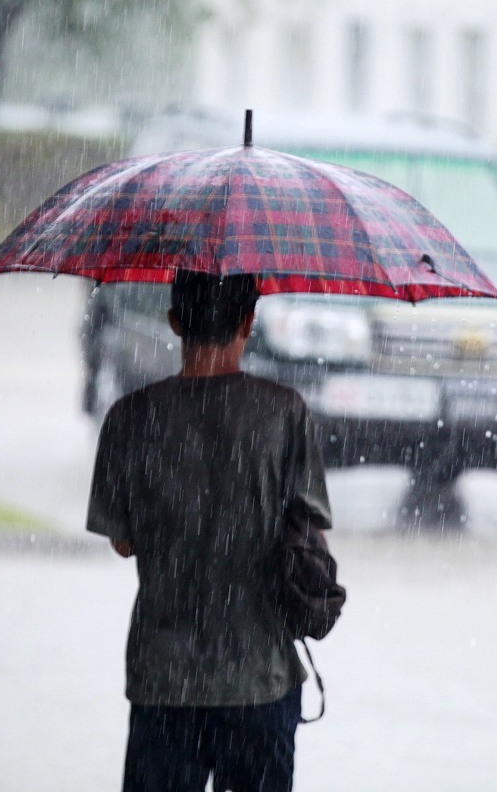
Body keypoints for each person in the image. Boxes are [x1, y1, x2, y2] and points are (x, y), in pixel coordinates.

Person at [86, 270, 333, 792]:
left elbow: (123, 541)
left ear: (174, 320)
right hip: (259, 680)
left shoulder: (130, 417)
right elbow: (310, 538)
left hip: (164, 682)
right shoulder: (285, 412)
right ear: (249, 322)